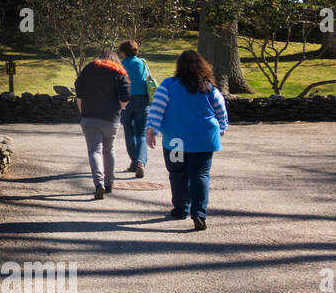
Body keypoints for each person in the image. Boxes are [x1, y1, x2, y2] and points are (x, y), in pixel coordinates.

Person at [145, 49, 228, 231]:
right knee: (200, 174)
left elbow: (157, 109)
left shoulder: (168, 85)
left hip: (176, 140)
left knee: (177, 173)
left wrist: (151, 130)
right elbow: (221, 110)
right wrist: (221, 127)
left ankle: (181, 209)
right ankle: (199, 213)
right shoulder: (208, 87)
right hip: (204, 139)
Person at [74, 49, 130, 199]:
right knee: (109, 150)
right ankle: (109, 183)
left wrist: (83, 111)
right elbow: (125, 96)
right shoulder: (119, 72)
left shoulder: (89, 69)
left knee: (94, 151)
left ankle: (99, 184)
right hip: (111, 119)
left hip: (90, 117)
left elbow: (79, 91)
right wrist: (119, 107)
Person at [117, 40, 156, 178]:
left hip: (126, 100)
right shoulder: (142, 63)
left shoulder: (120, 64)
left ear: (123, 51)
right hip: (142, 100)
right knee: (141, 133)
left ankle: (134, 162)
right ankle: (140, 162)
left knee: (129, 131)